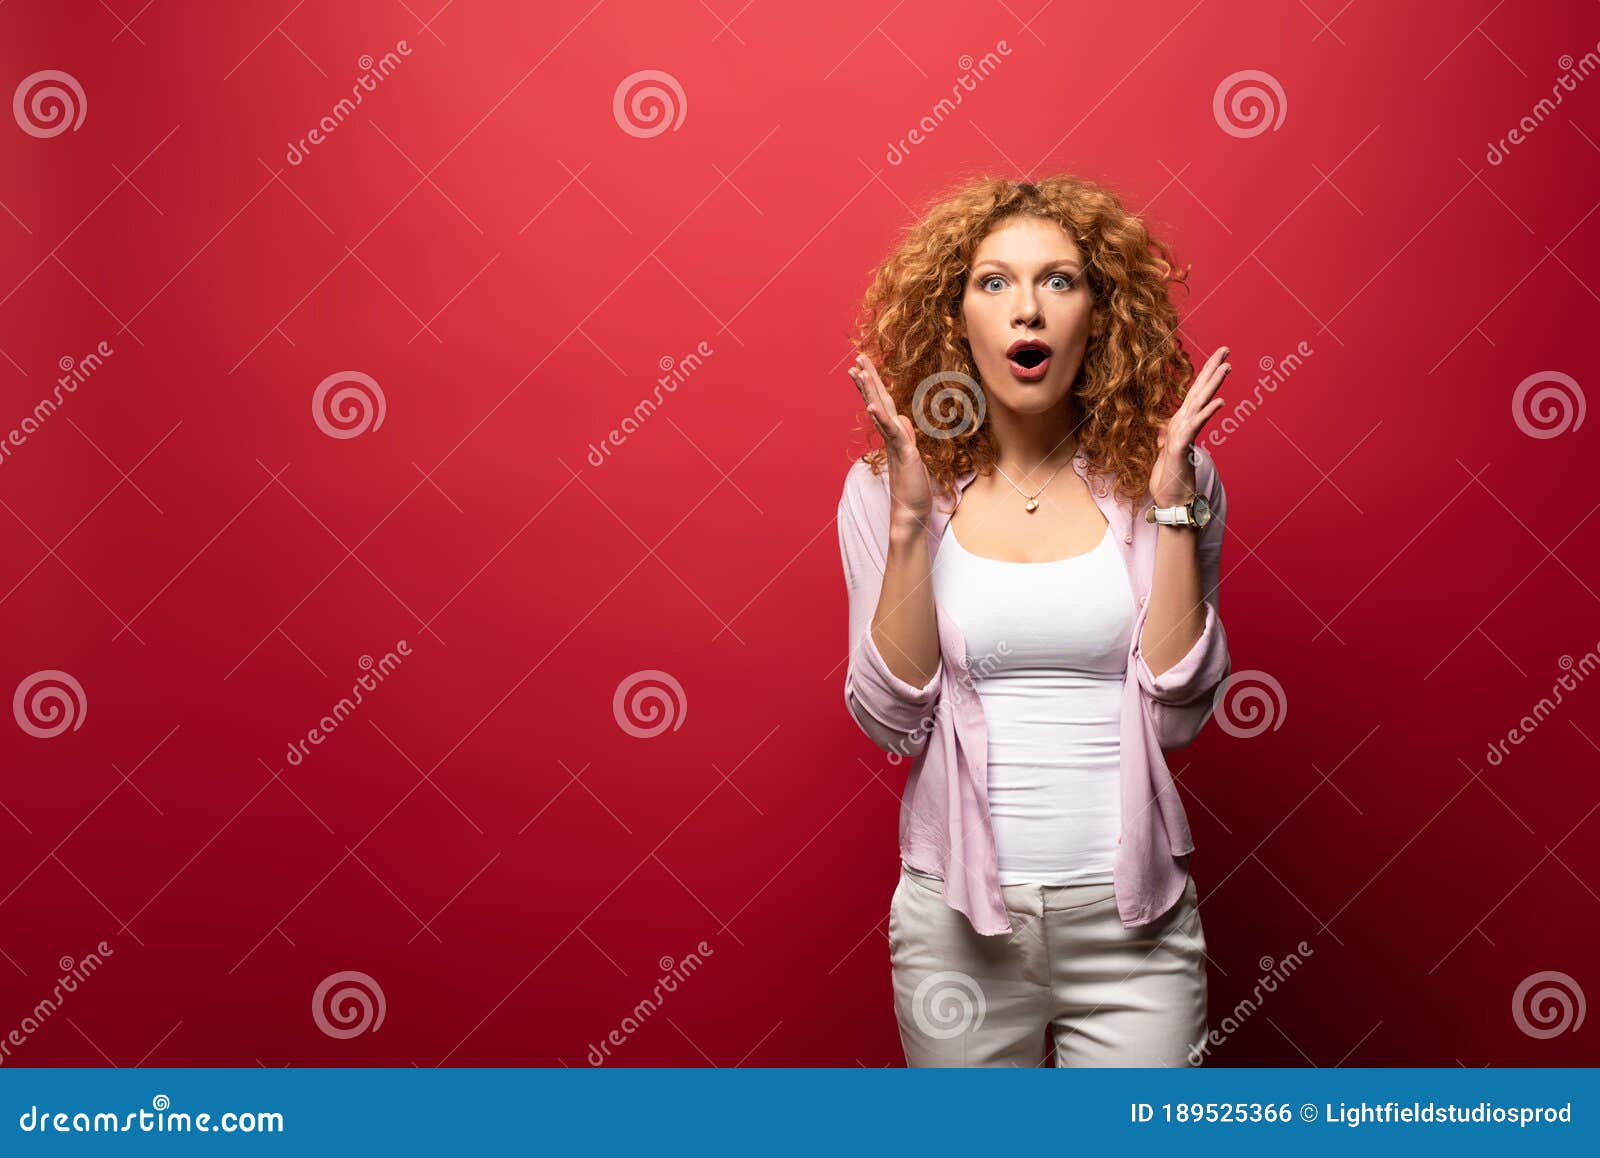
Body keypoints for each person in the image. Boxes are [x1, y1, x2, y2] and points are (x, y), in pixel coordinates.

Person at [837, 174, 1233, 1067]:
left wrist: (1172, 509)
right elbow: (890, 719)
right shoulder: (885, 491)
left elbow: (1178, 715)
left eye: (1059, 280)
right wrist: (908, 528)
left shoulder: (1172, 481)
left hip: (1136, 929)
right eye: (994, 282)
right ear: (955, 316)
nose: (1028, 310)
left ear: (1100, 313)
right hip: (956, 927)